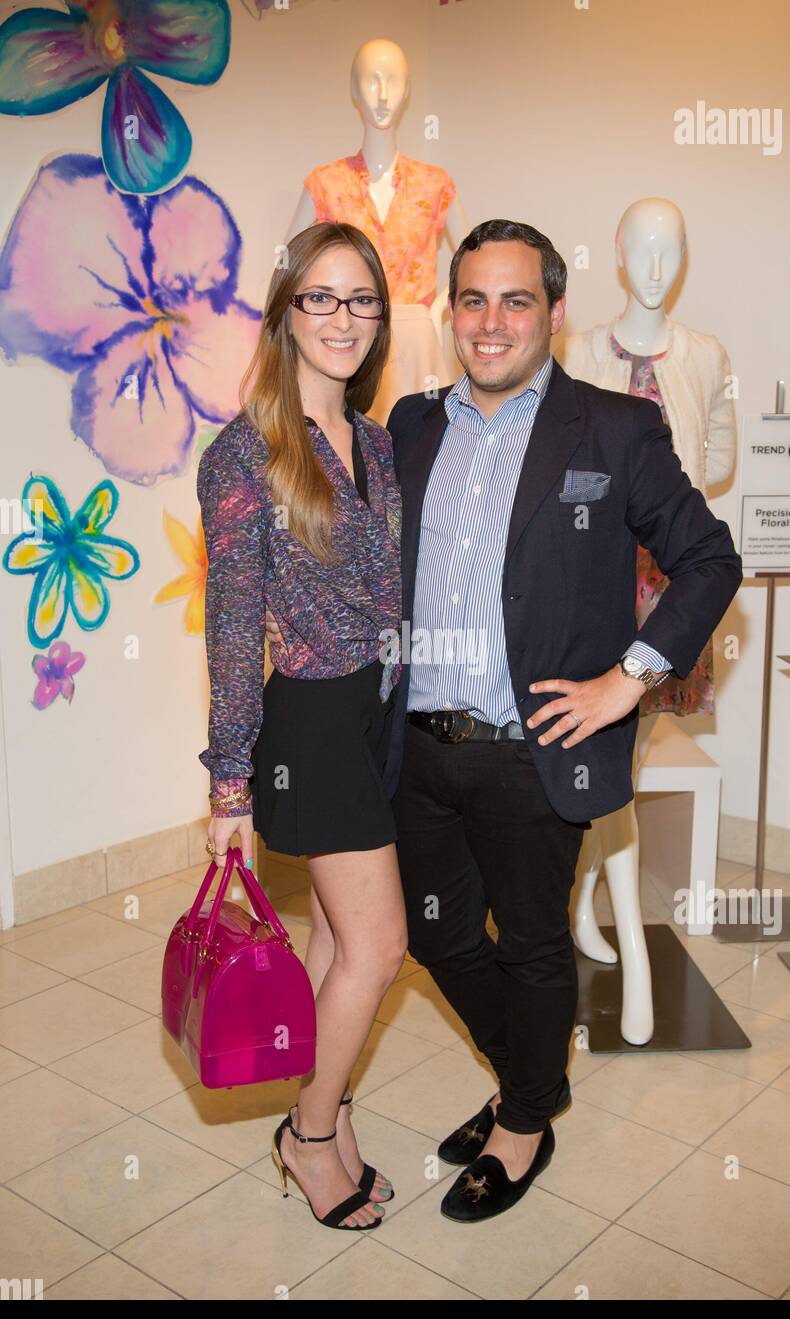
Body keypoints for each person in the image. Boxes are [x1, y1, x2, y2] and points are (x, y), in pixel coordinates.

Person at [378, 219, 742, 1222]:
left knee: (533, 943)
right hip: (413, 743)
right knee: (435, 935)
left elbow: (708, 559)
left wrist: (628, 679)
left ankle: (522, 1123)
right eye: (472, 300)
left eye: (515, 300)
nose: (490, 323)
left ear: (551, 311)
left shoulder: (610, 430)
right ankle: (531, 1078)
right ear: (451, 310)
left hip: (532, 747)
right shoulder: (410, 425)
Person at [198, 222, 407, 1231]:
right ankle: (309, 1136)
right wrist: (228, 785)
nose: (342, 318)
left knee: (331, 939)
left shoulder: (374, 441)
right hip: (310, 722)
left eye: (360, 299)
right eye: (319, 298)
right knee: (379, 945)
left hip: (374, 711)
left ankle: (325, 1106)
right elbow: (234, 632)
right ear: (284, 312)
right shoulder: (243, 452)